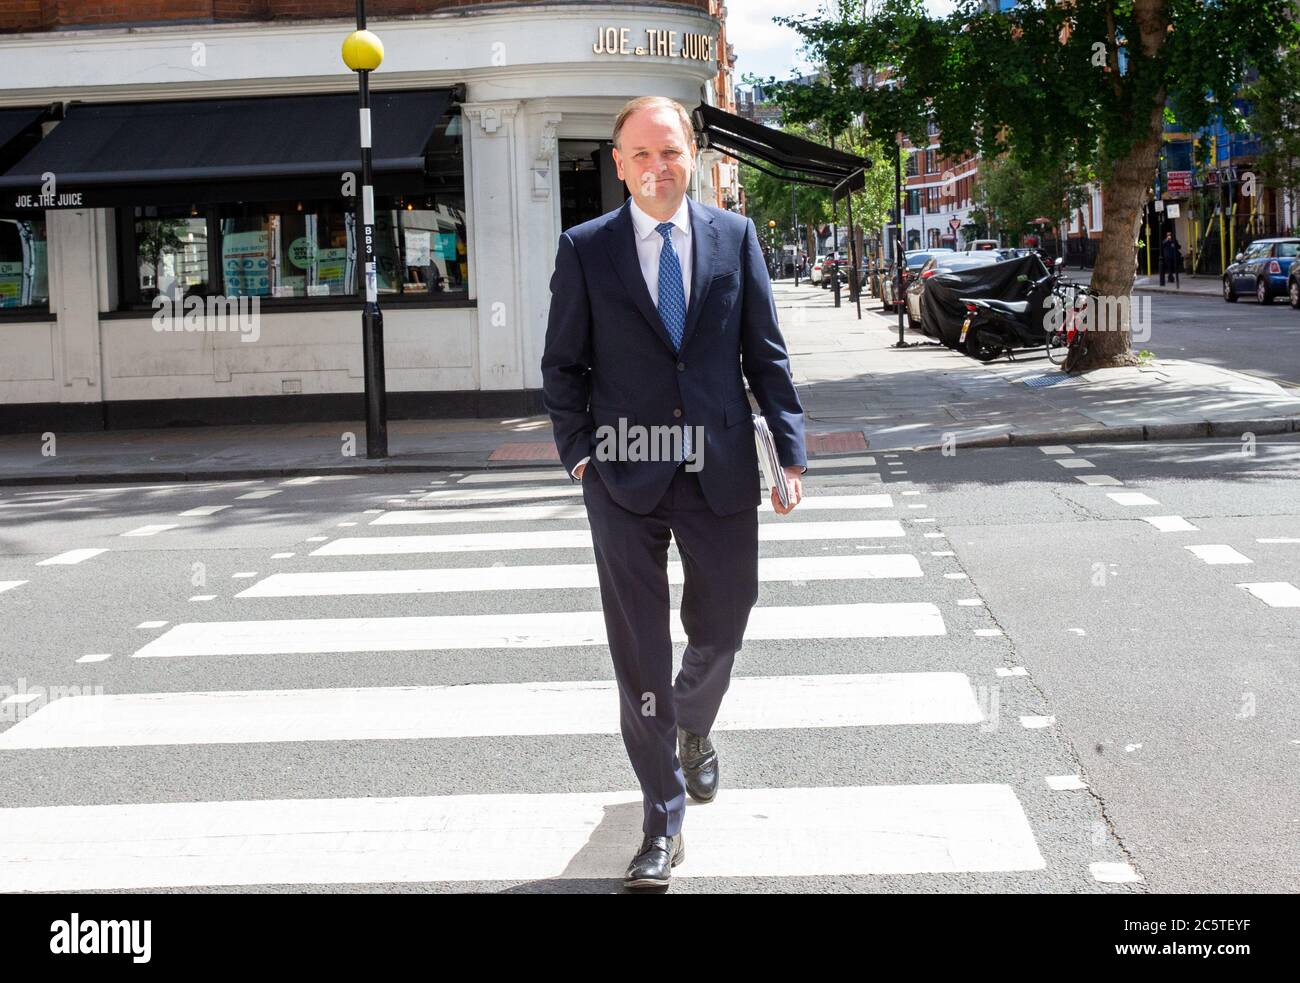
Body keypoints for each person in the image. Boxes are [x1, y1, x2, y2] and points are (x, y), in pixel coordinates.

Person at [541, 95, 808, 890]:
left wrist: (789, 454)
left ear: (694, 156)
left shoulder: (735, 237)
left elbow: (767, 355)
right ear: (618, 164)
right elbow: (563, 368)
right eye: (641, 155)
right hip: (623, 478)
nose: (657, 168)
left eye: (671, 152)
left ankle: (693, 723)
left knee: (725, 622)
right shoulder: (586, 249)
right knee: (639, 658)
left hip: (720, 466)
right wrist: (581, 459)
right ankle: (662, 821)